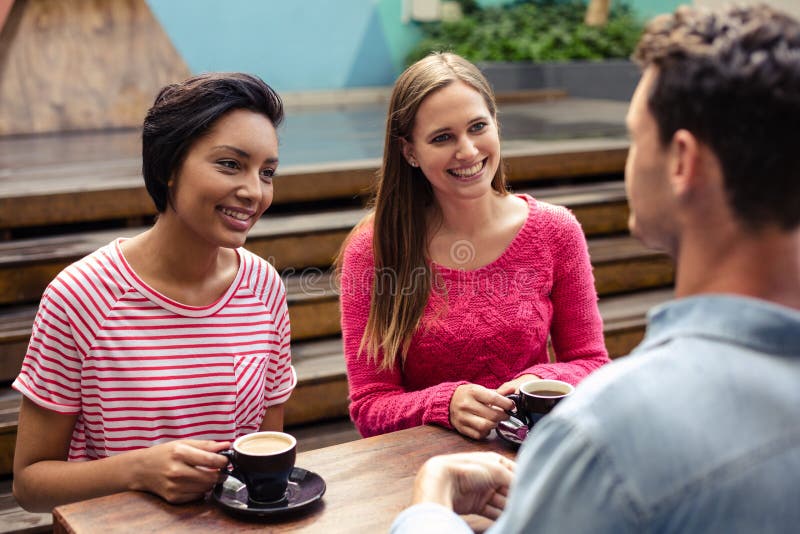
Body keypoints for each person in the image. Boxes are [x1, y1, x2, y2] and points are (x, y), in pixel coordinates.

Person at [390, 4, 800, 533]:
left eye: (633, 138)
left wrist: (429, 501)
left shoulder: (605, 438)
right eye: (442, 137)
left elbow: (589, 361)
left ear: (681, 162)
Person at [12, 73, 296, 512]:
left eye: (267, 172)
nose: (253, 192)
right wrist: (137, 471)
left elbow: (264, 448)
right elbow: (30, 484)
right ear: (167, 167)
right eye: (229, 164)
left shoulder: (263, 287)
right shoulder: (79, 296)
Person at [338, 52, 610, 440]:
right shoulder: (374, 249)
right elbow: (370, 405)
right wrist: (444, 404)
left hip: (532, 459)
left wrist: (539, 380)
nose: (467, 151)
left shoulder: (556, 231)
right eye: (442, 137)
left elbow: (590, 362)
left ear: (496, 125)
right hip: (424, 471)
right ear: (409, 151)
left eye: (477, 127)